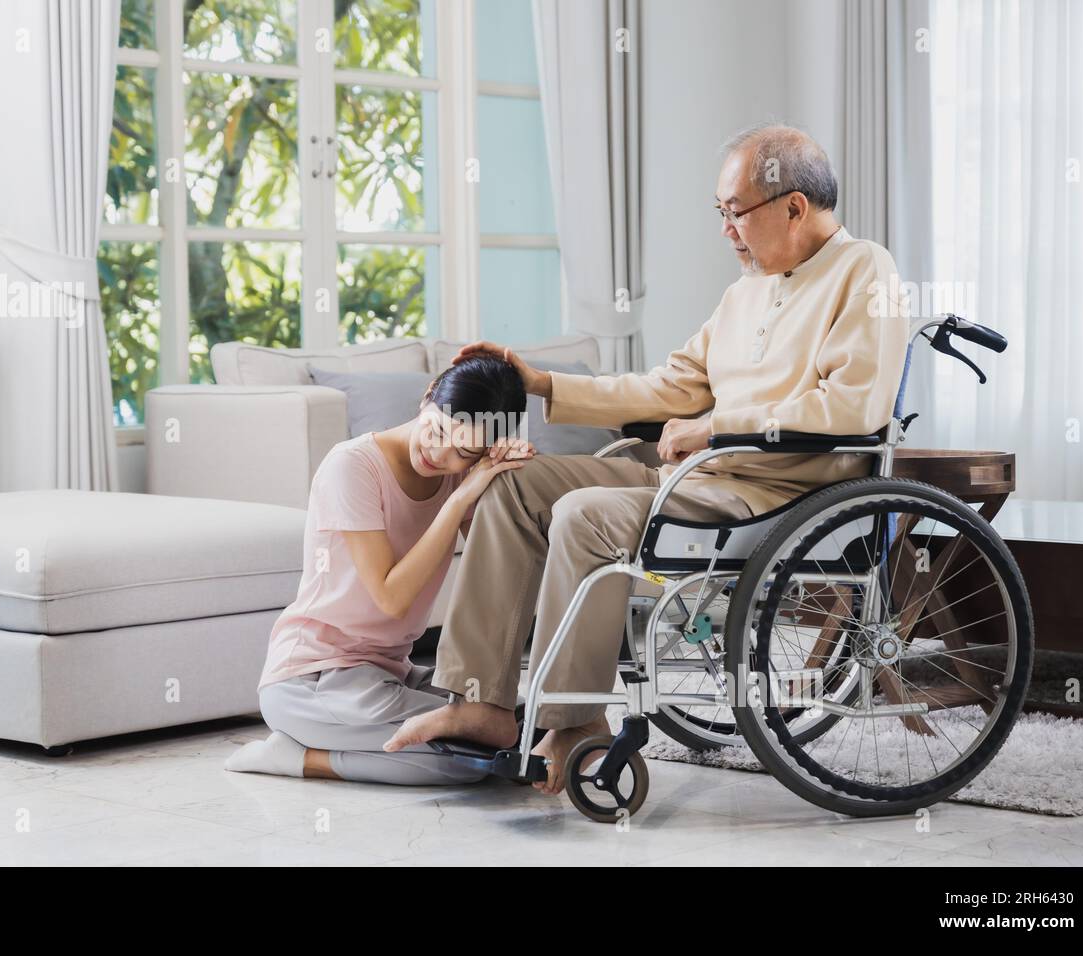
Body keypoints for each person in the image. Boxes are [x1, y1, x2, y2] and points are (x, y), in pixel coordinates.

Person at [383, 123, 912, 795]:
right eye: (718, 213)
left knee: (582, 514)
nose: (725, 231)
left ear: (794, 207)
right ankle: (482, 699)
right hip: (696, 478)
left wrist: (717, 427)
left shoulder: (867, 272)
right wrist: (540, 381)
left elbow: (853, 407)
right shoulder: (745, 292)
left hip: (772, 496)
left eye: (734, 212)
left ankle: (573, 722)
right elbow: (666, 388)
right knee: (509, 485)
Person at [226, 356, 535, 785]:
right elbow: (390, 598)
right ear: (429, 395)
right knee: (462, 761)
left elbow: (496, 561)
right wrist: (460, 498)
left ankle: (442, 728)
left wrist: (507, 477)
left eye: (464, 452)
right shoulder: (352, 467)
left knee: (522, 722)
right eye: (438, 429)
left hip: (390, 671)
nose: (439, 453)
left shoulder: (459, 474)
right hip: (312, 678)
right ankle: (296, 757)